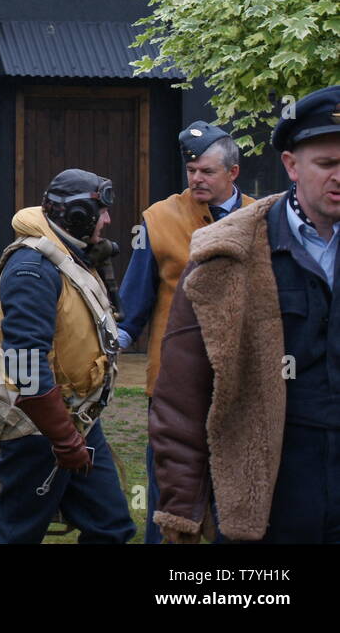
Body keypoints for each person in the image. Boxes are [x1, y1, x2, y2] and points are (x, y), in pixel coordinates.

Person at [152, 86, 340, 543]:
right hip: (268, 499)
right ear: (291, 165)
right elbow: (182, 396)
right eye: (327, 164)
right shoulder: (225, 255)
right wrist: (182, 512)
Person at [0, 169, 135, 543]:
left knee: (110, 528)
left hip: (76, 420)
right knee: (13, 536)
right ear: (77, 215)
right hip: (40, 429)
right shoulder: (33, 270)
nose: (109, 220)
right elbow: (27, 365)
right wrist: (64, 441)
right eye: (101, 212)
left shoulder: (68, 256)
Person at [117, 120, 253, 543]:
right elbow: (132, 305)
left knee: (235, 489)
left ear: (233, 173)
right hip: (174, 382)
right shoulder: (157, 219)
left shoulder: (260, 219)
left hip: (239, 380)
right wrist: (111, 345)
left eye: (207, 171)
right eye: (191, 170)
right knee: (171, 490)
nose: (196, 178)